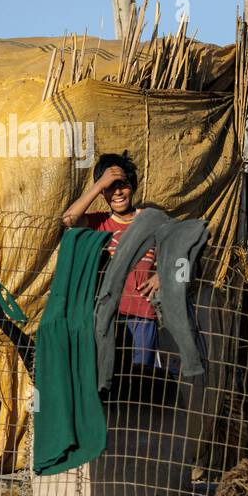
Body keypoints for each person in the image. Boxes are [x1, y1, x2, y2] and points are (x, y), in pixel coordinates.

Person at [61, 153, 161, 368]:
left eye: (122, 185)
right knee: (108, 376)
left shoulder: (150, 219)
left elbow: (182, 249)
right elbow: (69, 219)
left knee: (140, 377)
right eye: (110, 187)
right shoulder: (100, 222)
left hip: (142, 314)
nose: (117, 192)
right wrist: (98, 185)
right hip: (108, 317)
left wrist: (163, 275)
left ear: (132, 186)